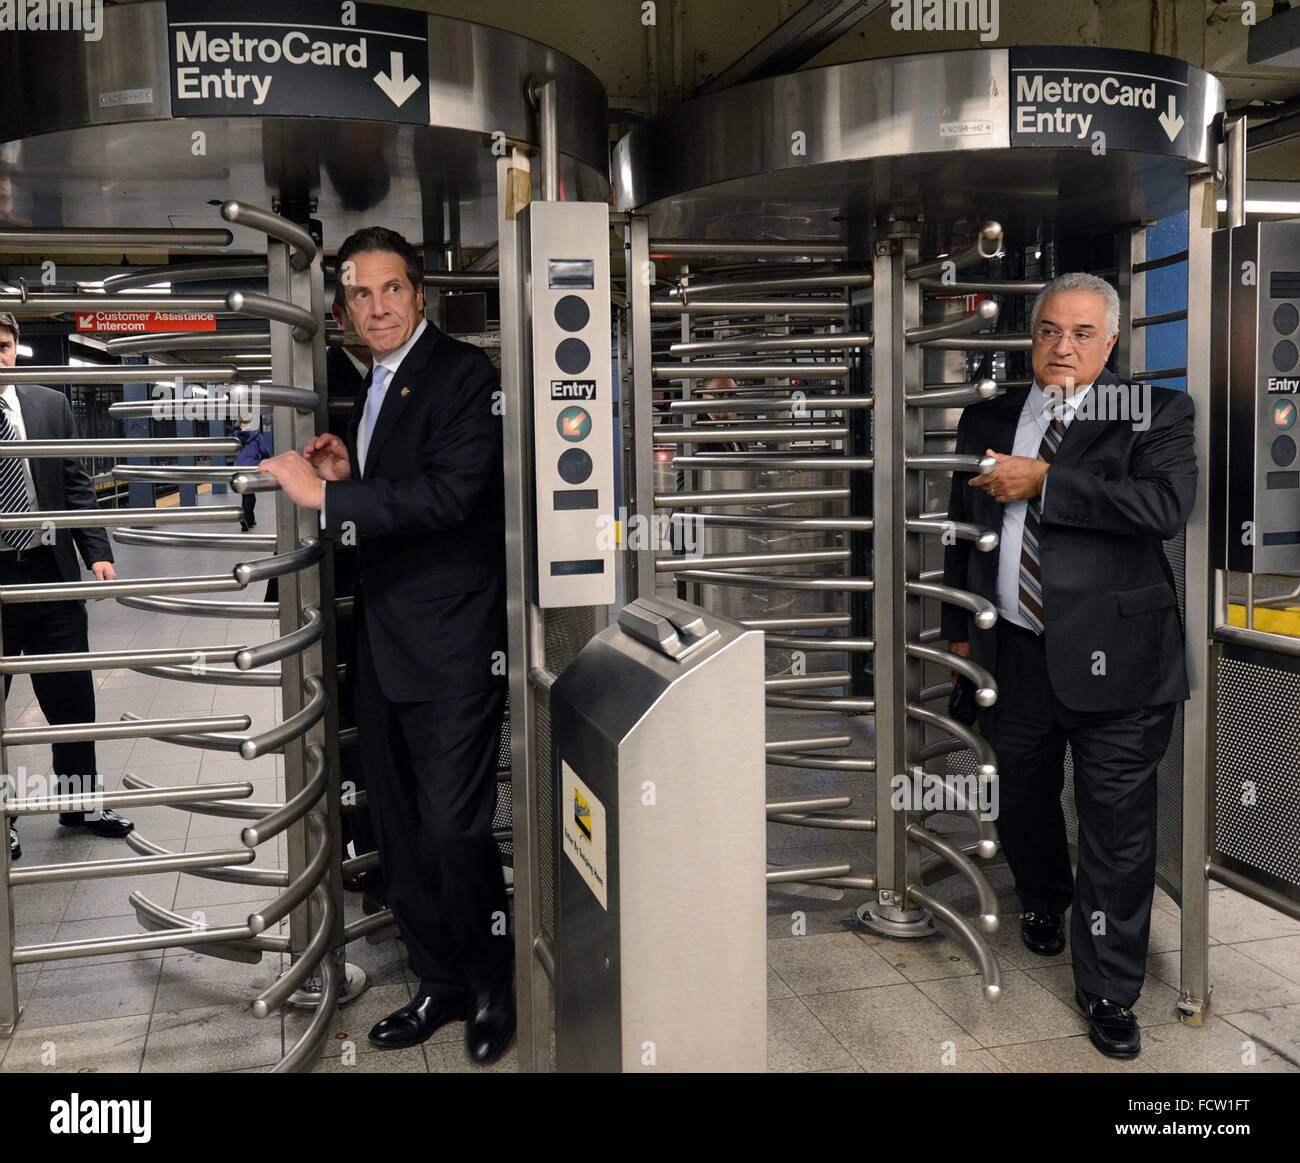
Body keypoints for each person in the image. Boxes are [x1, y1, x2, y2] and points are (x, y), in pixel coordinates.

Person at [261, 227, 513, 1064]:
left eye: (392, 289)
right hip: (381, 645)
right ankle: (436, 978)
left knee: (454, 830)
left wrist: (323, 501)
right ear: (343, 308)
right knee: (397, 831)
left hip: (452, 650)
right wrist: (345, 477)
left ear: (419, 294)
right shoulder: (377, 382)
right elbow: (396, 484)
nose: (377, 306)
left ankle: (490, 983)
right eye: (360, 294)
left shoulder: (465, 375)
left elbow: (446, 496)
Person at [942, 272, 1196, 1060]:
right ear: (1032, 334)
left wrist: (1048, 481)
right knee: (1019, 795)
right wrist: (959, 629)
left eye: (1083, 334)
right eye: (1050, 329)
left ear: (1112, 342)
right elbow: (962, 528)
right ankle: (1045, 898)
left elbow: (1163, 506)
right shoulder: (986, 416)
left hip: (1122, 662)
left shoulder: (1156, 410)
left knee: (1118, 832)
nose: (1063, 346)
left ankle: (1110, 989)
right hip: (1013, 647)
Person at [0, 312, 133, 861]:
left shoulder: (50, 405)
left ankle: (80, 803)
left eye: (3, 344)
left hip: (50, 575)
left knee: (72, 698)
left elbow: (75, 482)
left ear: (15, 349)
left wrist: (96, 554)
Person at [231, 417, 272, 530]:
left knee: (246, 495)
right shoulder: (257, 436)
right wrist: (265, 459)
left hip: (238, 468)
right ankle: (245, 520)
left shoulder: (237, 436)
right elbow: (265, 451)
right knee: (251, 497)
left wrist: (236, 427)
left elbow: (232, 436)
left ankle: (250, 520)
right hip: (250, 467)